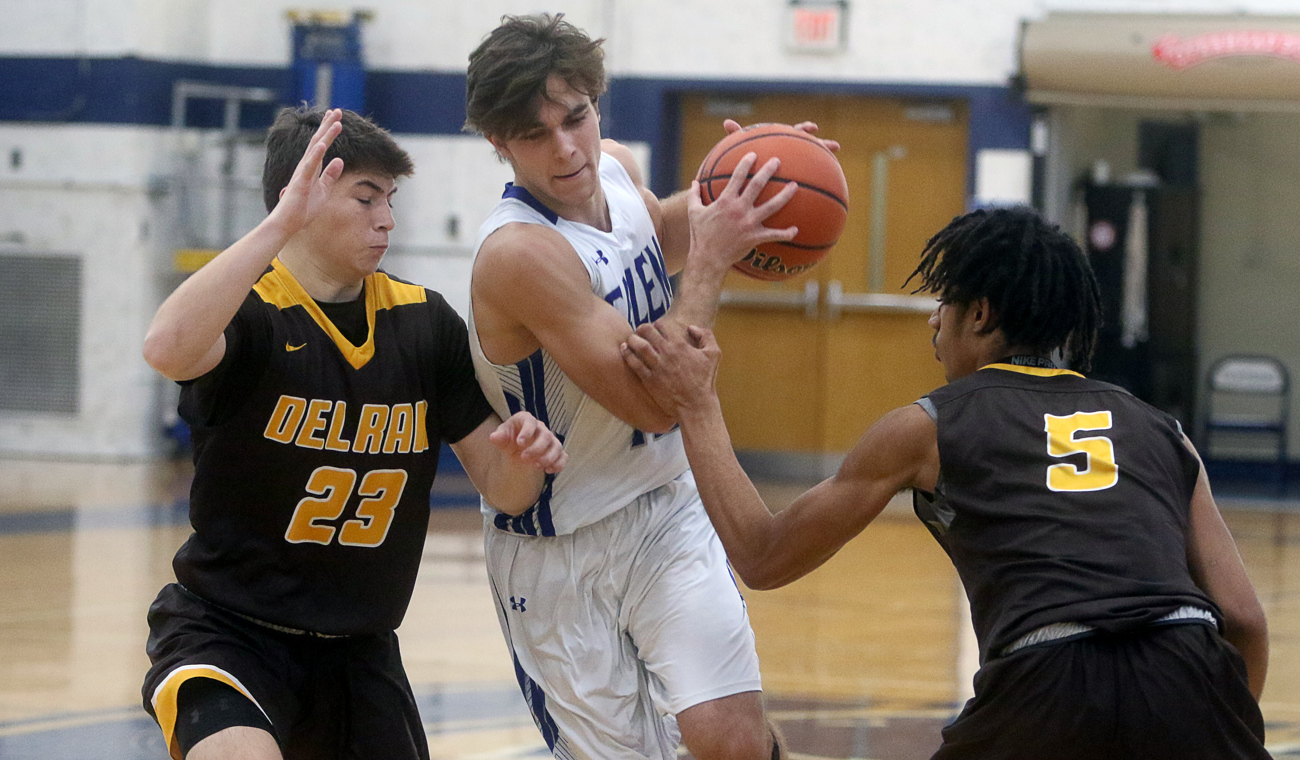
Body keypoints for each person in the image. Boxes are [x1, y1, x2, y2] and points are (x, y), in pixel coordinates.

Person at [621, 206, 1271, 760]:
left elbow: (763, 555)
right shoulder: (1163, 430)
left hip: (1048, 684)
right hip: (1194, 674)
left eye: (945, 303)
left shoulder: (930, 426)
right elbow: (1242, 618)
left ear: (981, 314)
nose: (934, 322)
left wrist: (697, 404)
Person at [462, 13, 839, 760]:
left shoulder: (617, 170)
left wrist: (761, 181)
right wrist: (710, 261)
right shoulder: (520, 255)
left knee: (728, 740)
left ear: (597, 103)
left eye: (577, 118)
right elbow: (654, 401)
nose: (567, 147)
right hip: (561, 545)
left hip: (667, 510)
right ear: (499, 143)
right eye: (536, 135)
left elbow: (663, 229)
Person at [139, 106, 567, 760]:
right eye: (365, 198)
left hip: (358, 650)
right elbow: (166, 348)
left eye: (390, 200)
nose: (387, 219)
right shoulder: (253, 312)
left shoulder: (425, 325)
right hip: (226, 632)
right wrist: (277, 225)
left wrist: (529, 455)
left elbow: (507, 492)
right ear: (300, 199)